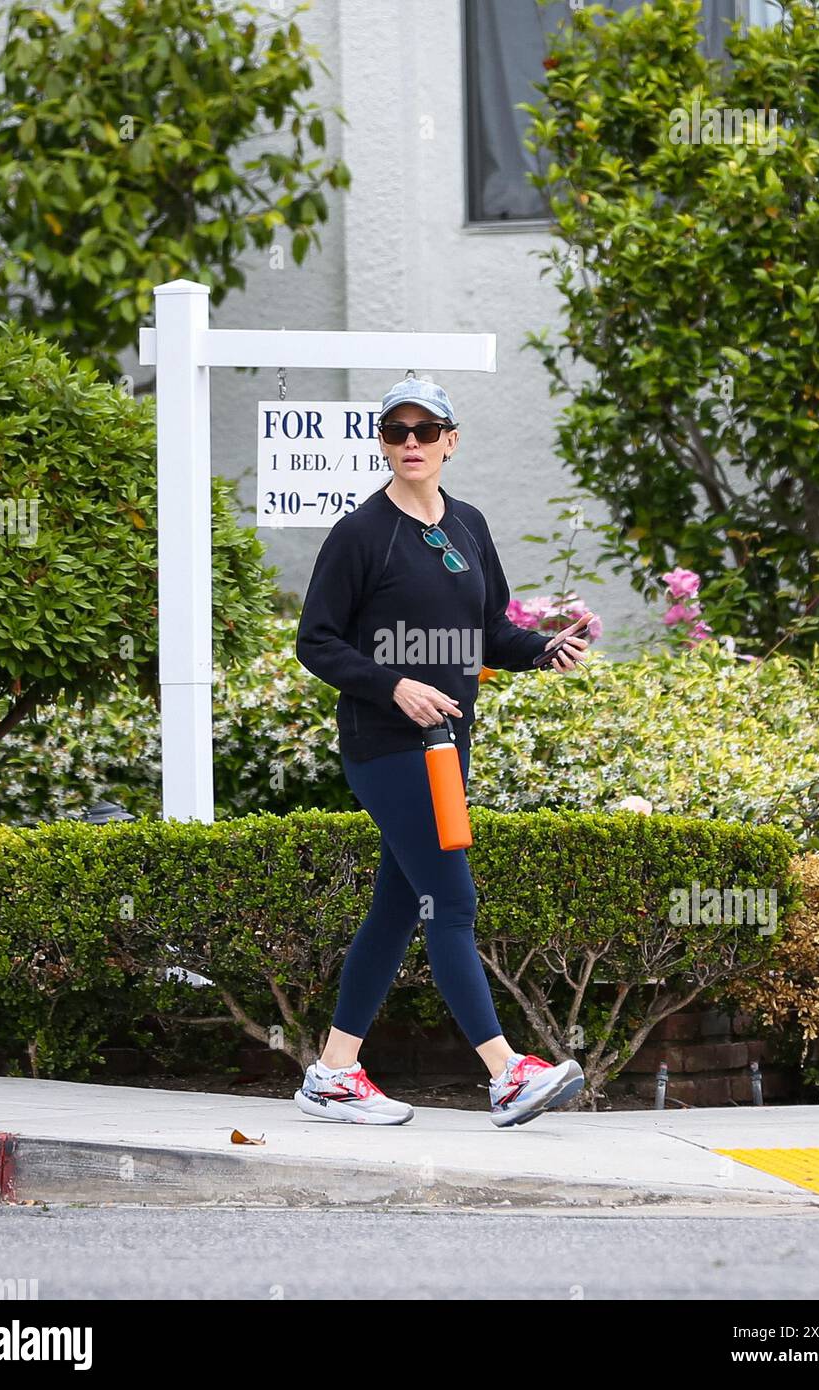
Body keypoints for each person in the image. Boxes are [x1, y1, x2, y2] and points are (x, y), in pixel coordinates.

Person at [293, 377, 592, 1127]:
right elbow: (315, 642)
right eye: (396, 431)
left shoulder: (466, 526)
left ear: (450, 440)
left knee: (397, 907)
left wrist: (543, 648)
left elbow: (489, 631)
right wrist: (392, 684)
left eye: (426, 430)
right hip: (385, 745)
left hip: (444, 748)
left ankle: (333, 1073)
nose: (412, 443)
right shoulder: (361, 533)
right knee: (451, 901)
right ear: (383, 444)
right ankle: (505, 1072)